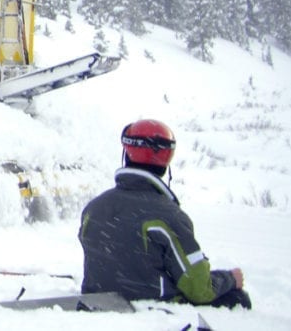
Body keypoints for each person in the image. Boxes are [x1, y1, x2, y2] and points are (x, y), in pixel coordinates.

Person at [78, 119, 252, 309]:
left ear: (127, 152)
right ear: (166, 160)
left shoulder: (93, 208)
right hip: (152, 308)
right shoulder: (170, 217)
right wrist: (230, 279)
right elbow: (199, 289)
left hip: (96, 300)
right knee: (238, 299)